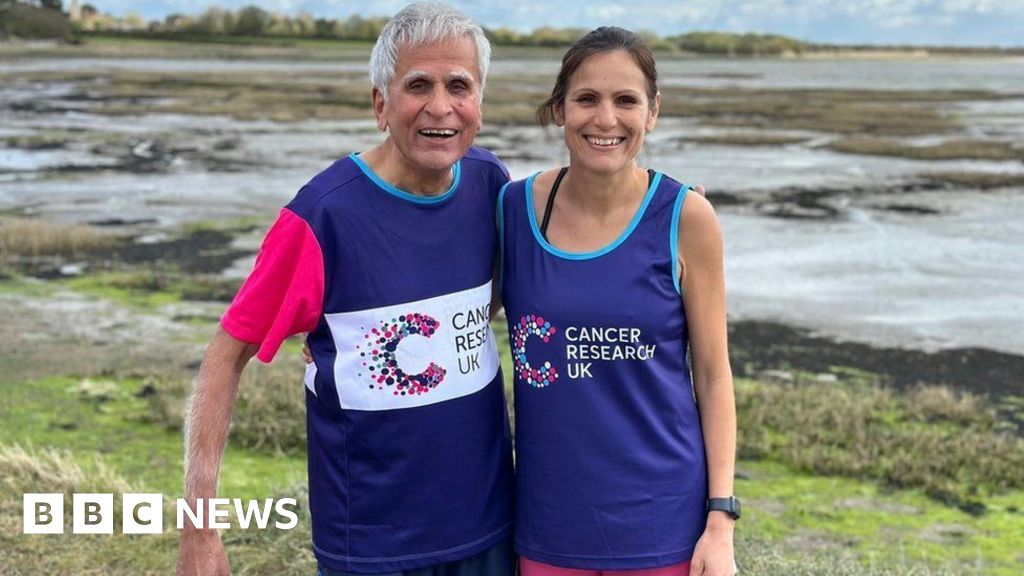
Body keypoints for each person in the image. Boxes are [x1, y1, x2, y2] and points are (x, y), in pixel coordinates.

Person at [176, 3, 515, 575]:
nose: (441, 107)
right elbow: (223, 358)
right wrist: (199, 527)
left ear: (479, 102)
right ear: (381, 105)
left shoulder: (491, 183)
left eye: (459, 85)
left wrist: (668, 223)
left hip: (488, 525)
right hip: (372, 541)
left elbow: (494, 297)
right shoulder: (321, 217)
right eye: (417, 86)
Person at [498, 27, 738, 576]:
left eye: (626, 100)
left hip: (662, 526)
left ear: (652, 112)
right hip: (548, 524)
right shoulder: (512, 210)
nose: (605, 120)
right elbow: (457, 308)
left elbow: (713, 374)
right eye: (587, 99)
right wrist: (334, 333)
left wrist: (720, 521)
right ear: (560, 109)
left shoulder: (687, 217)